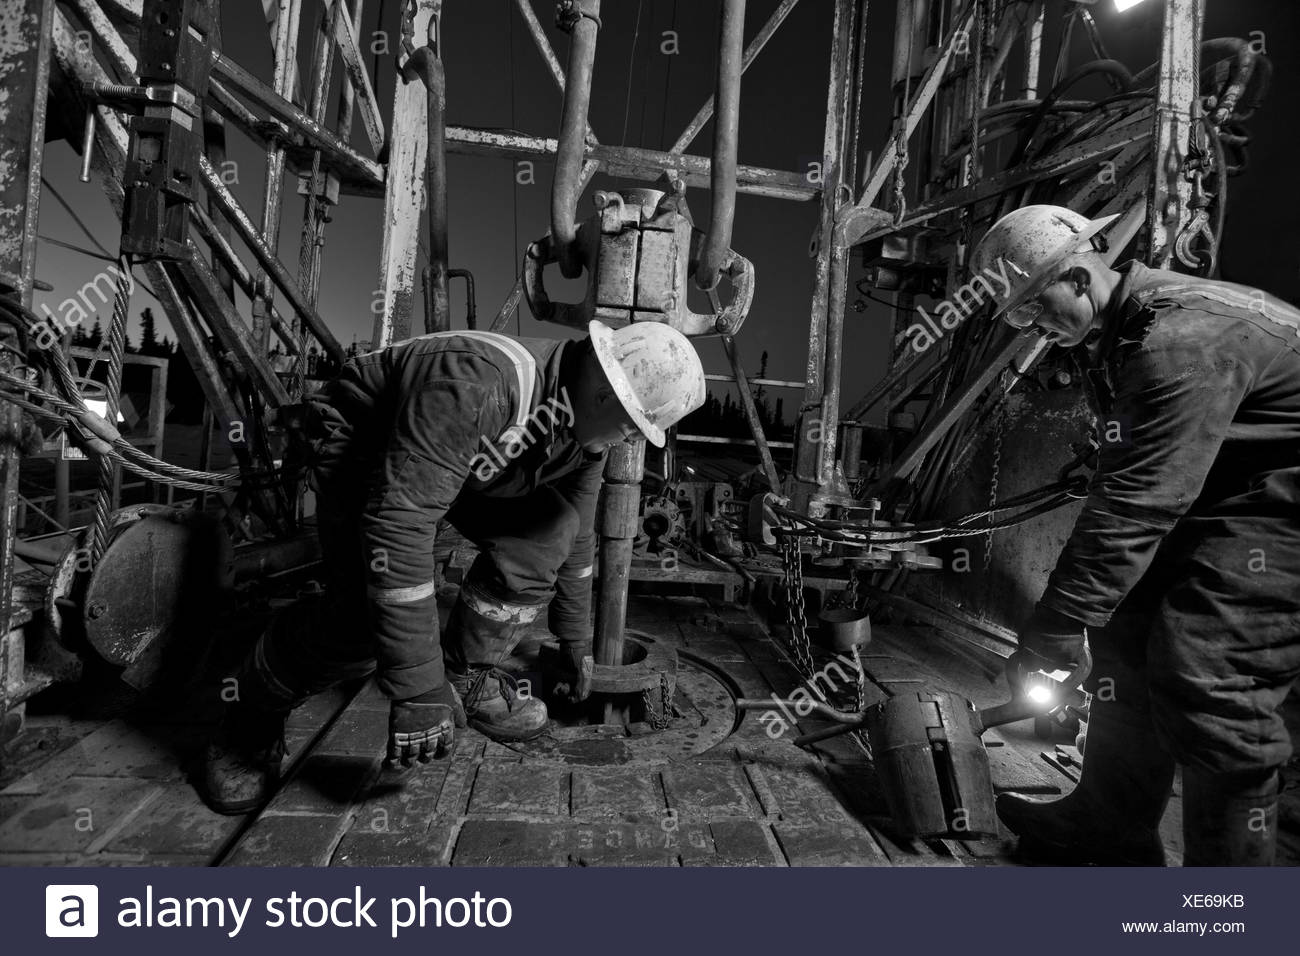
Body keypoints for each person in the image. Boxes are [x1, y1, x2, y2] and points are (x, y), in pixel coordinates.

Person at [204, 320, 706, 813]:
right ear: (604, 397)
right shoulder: (478, 383)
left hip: (461, 459)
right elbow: (398, 526)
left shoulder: (582, 429)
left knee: (552, 530)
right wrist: (418, 689)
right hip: (367, 446)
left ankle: (464, 676)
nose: (624, 441)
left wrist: (574, 641)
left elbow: (578, 537)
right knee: (362, 620)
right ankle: (247, 716)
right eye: (629, 427)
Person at [970, 204, 1300, 866]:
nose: (1034, 326)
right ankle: (1109, 822)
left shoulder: (1179, 341)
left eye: (1036, 306)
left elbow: (1135, 504)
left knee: (1208, 672)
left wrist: (1053, 631)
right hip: (1227, 492)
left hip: (1279, 507)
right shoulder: (1122, 335)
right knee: (1123, 632)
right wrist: (1082, 621)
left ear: (1079, 275)